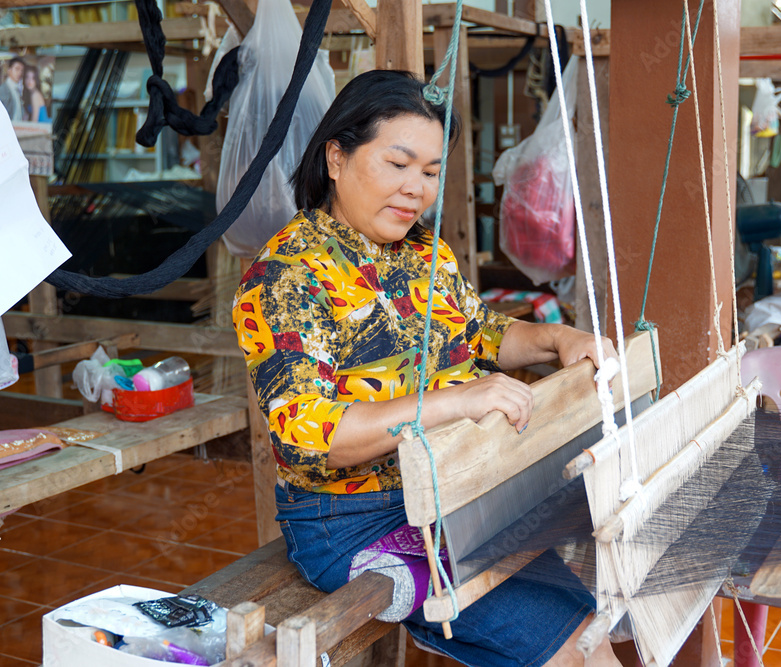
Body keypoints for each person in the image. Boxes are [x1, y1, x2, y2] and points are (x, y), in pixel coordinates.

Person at [233, 69, 621, 667]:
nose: (416, 188)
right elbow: (308, 435)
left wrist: (558, 338)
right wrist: (450, 404)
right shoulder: (286, 276)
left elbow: (483, 333)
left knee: (587, 629)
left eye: (431, 172)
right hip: (352, 519)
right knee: (571, 649)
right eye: (398, 163)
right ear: (336, 157)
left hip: (455, 495)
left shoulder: (424, 253)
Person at [0, 57, 25, 121]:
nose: (20, 73)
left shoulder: (17, 89)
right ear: (9, 70)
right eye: (17, 69)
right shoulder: (1, 91)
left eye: (21, 70)